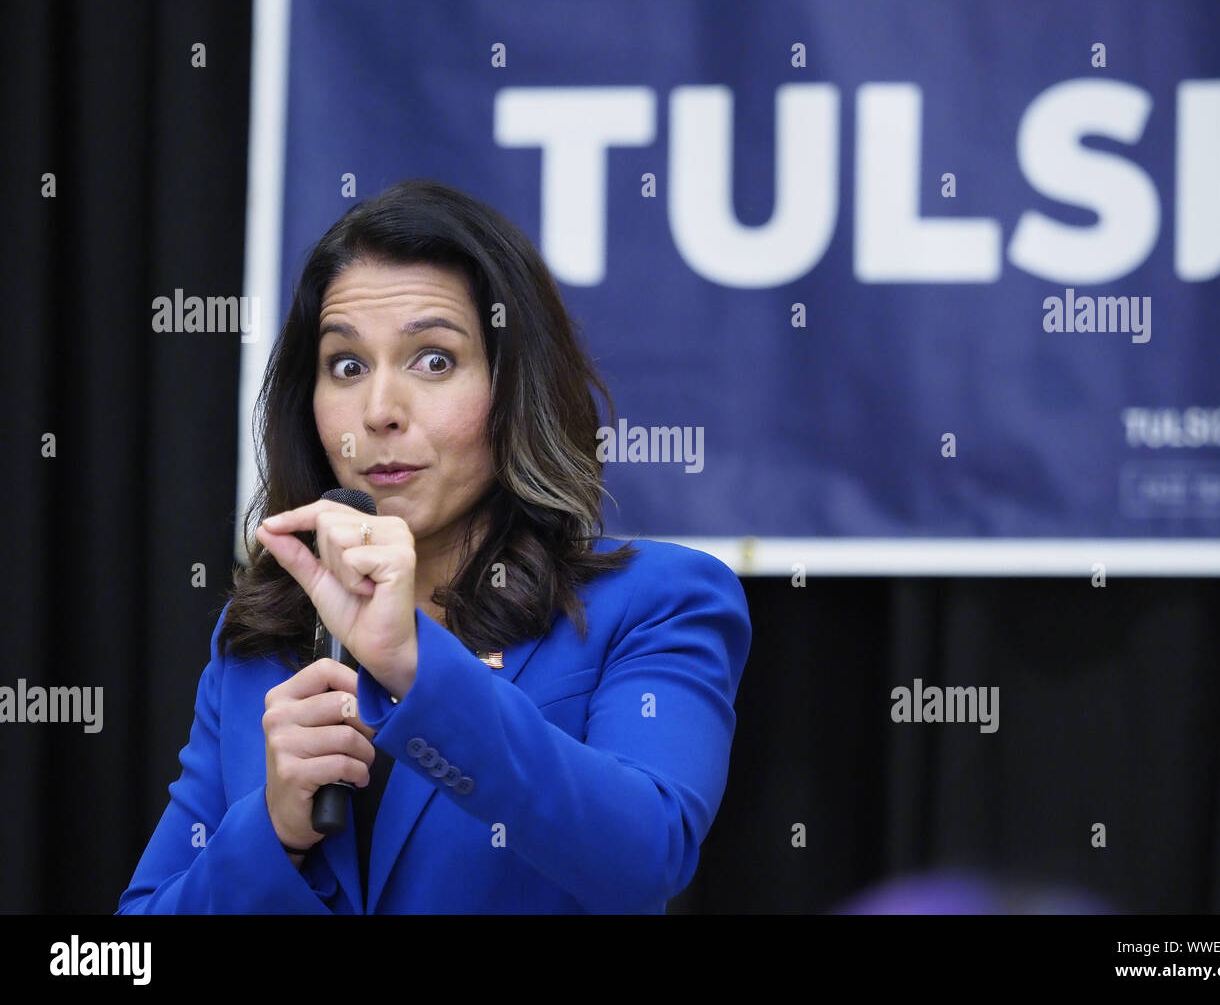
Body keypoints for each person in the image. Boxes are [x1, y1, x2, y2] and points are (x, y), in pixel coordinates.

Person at [117, 179, 751, 914]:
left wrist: (413, 666)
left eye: (434, 360)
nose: (380, 411)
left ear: (515, 385)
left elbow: (646, 855)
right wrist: (273, 832)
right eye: (347, 366)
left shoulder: (655, 603)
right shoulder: (261, 639)